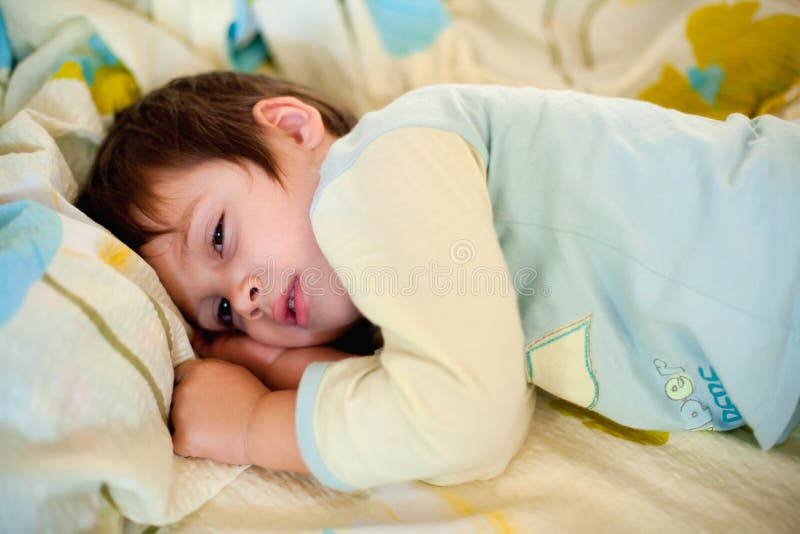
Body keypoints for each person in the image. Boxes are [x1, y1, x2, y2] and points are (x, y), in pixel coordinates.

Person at [78, 71, 800, 492]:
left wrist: (252, 425)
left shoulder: (381, 165)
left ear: (294, 128)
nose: (247, 296)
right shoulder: (398, 280)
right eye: (224, 312)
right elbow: (424, 378)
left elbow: (464, 417)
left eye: (219, 238)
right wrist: (279, 363)